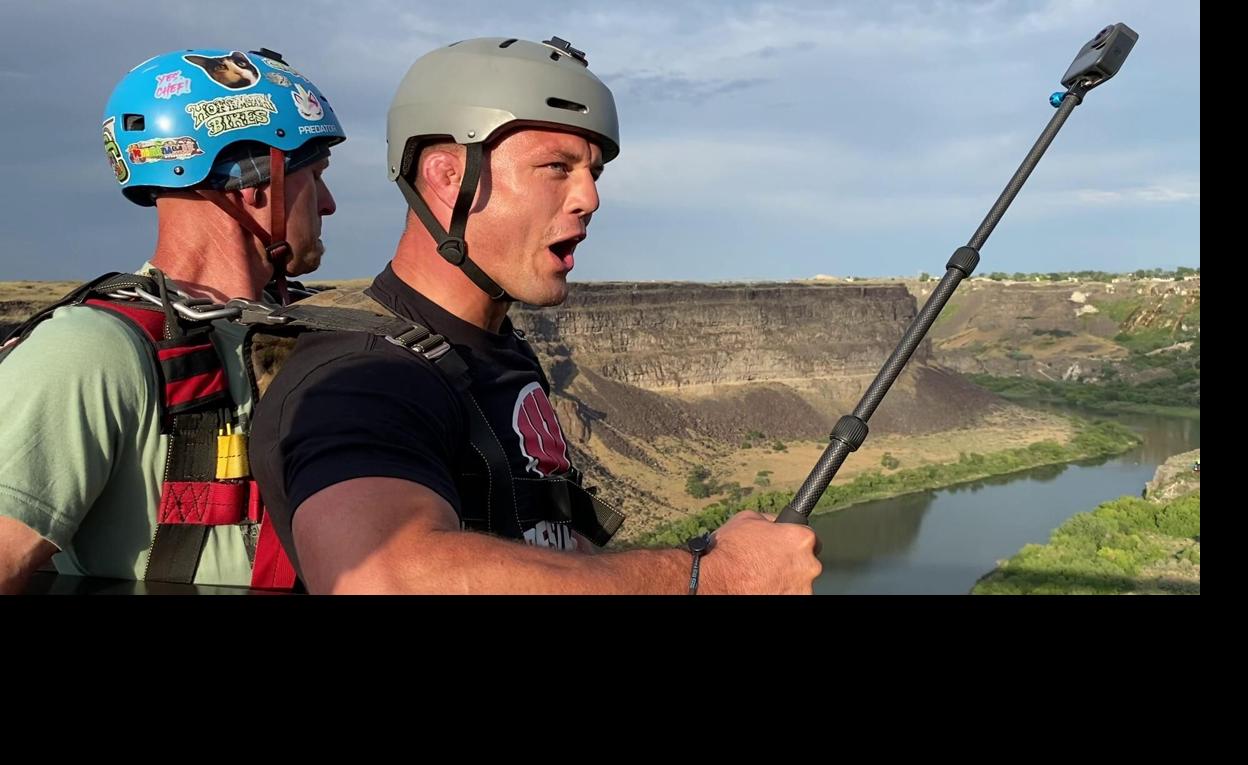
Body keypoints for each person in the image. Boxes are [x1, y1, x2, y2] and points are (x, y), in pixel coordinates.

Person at [249, 37, 820, 594]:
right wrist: (711, 579)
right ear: (449, 177)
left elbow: (548, 548)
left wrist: (701, 555)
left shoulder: (497, 353)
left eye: (593, 172)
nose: (589, 198)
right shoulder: (362, 378)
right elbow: (379, 579)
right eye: (556, 167)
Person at [0, 47, 345, 593]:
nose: (327, 204)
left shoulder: (288, 339)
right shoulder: (91, 348)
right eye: (315, 175)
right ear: (258, 186)